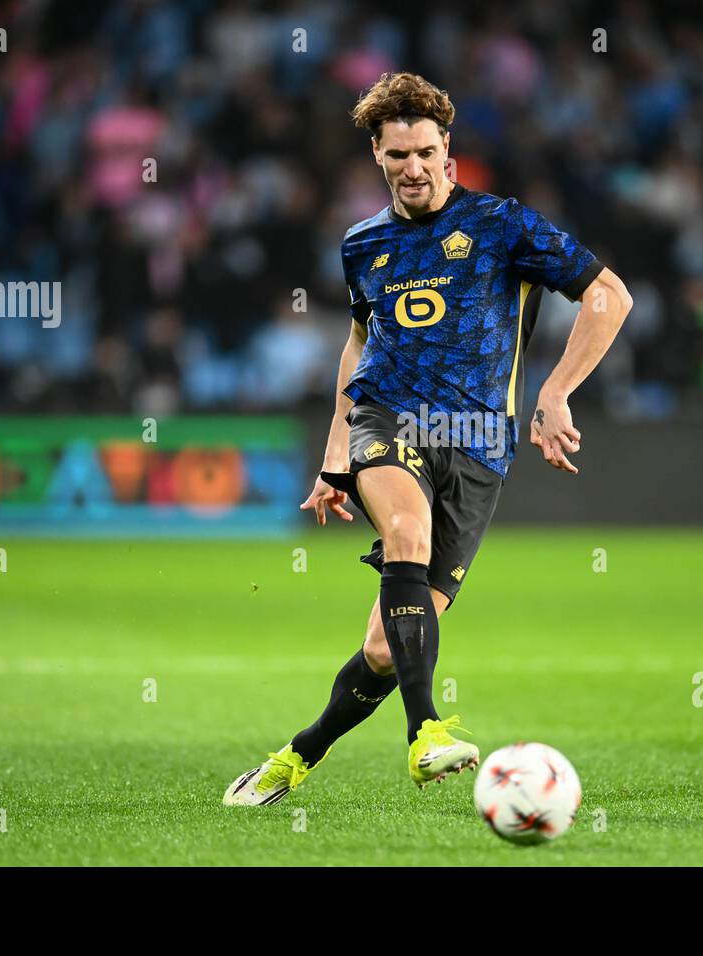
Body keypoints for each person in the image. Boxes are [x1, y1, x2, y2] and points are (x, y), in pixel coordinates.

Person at [224, 72, 632, 806]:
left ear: (449, 152)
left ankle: (295, 755)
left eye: (426, 152)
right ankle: (428, 731)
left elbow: (609, 296)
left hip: (477, 446)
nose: (412, 167)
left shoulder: (504, 225)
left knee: (385, 648)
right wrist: (335, 453)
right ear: (376, 157)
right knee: (406, 530)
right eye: (396, 155)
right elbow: (359, 346)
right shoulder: (362, 245)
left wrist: (557, 390)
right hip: (390, 420)